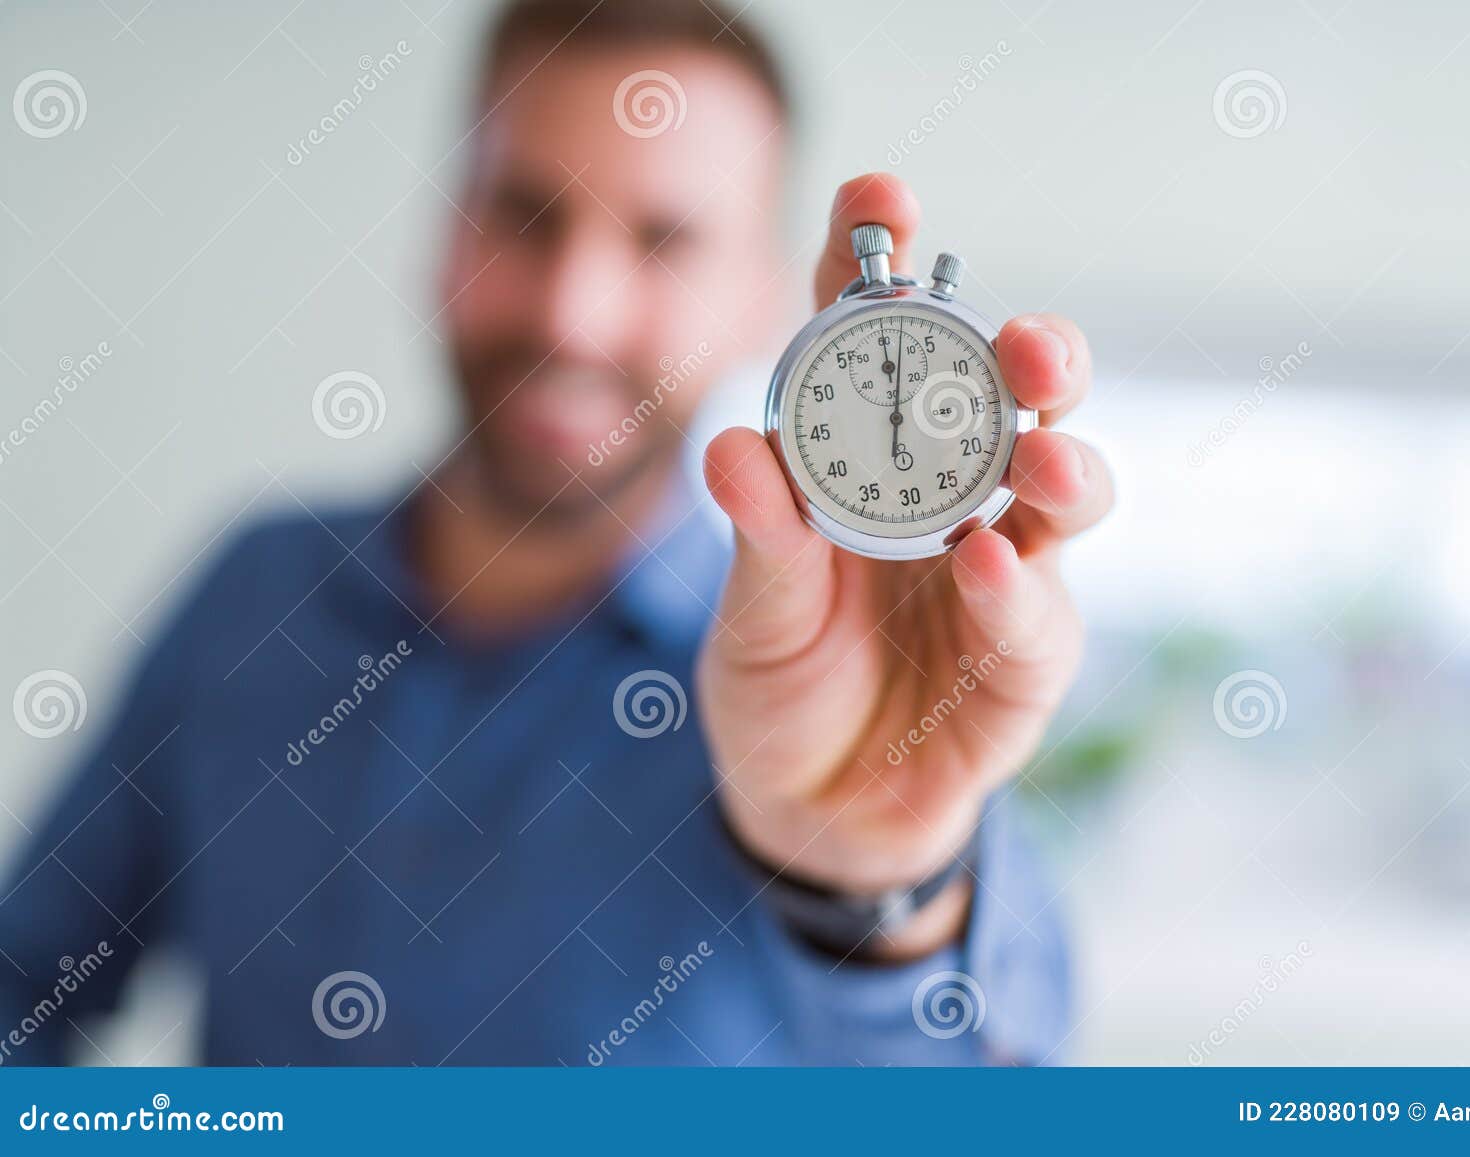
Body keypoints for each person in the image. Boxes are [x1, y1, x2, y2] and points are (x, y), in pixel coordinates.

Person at [0, 0, 1110, 1066]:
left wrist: (871, 877)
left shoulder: (851, 682)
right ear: (448, 235)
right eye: (526, 214)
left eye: (664, 240)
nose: (570, 312)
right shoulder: (257, 589)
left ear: (762, 300)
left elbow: (994, 1083)